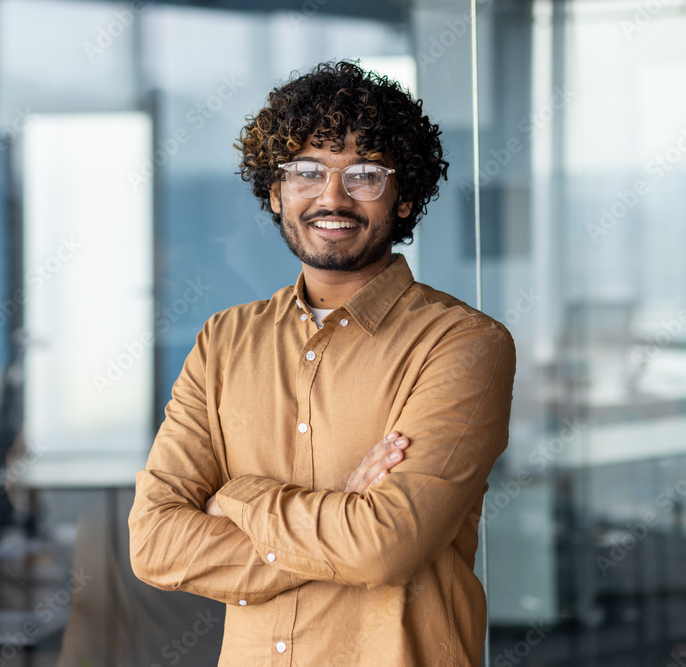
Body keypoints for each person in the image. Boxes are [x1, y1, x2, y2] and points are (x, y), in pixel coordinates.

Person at [128, 60, 516, 666]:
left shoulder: (463, 344)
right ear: (275, 190)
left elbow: (382, 549)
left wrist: (237, 498)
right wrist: (342, 519)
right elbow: (155, 543)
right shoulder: (224, 341)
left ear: (405, 194)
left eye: (364, 174)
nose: (331, 197)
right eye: (306, 171)